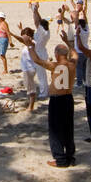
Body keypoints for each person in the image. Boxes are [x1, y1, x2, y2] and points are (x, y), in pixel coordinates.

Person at [26, 28, 77, 166]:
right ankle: (70, 156)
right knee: (68, 128)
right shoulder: (72, 64)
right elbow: (75, 54)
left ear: (56, 54)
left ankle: (60, 158)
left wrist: (29, 45)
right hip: (68, 99)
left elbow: (36, 59)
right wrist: (67, 42)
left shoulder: (55, 65)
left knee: (55, 130)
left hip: (57, 100)